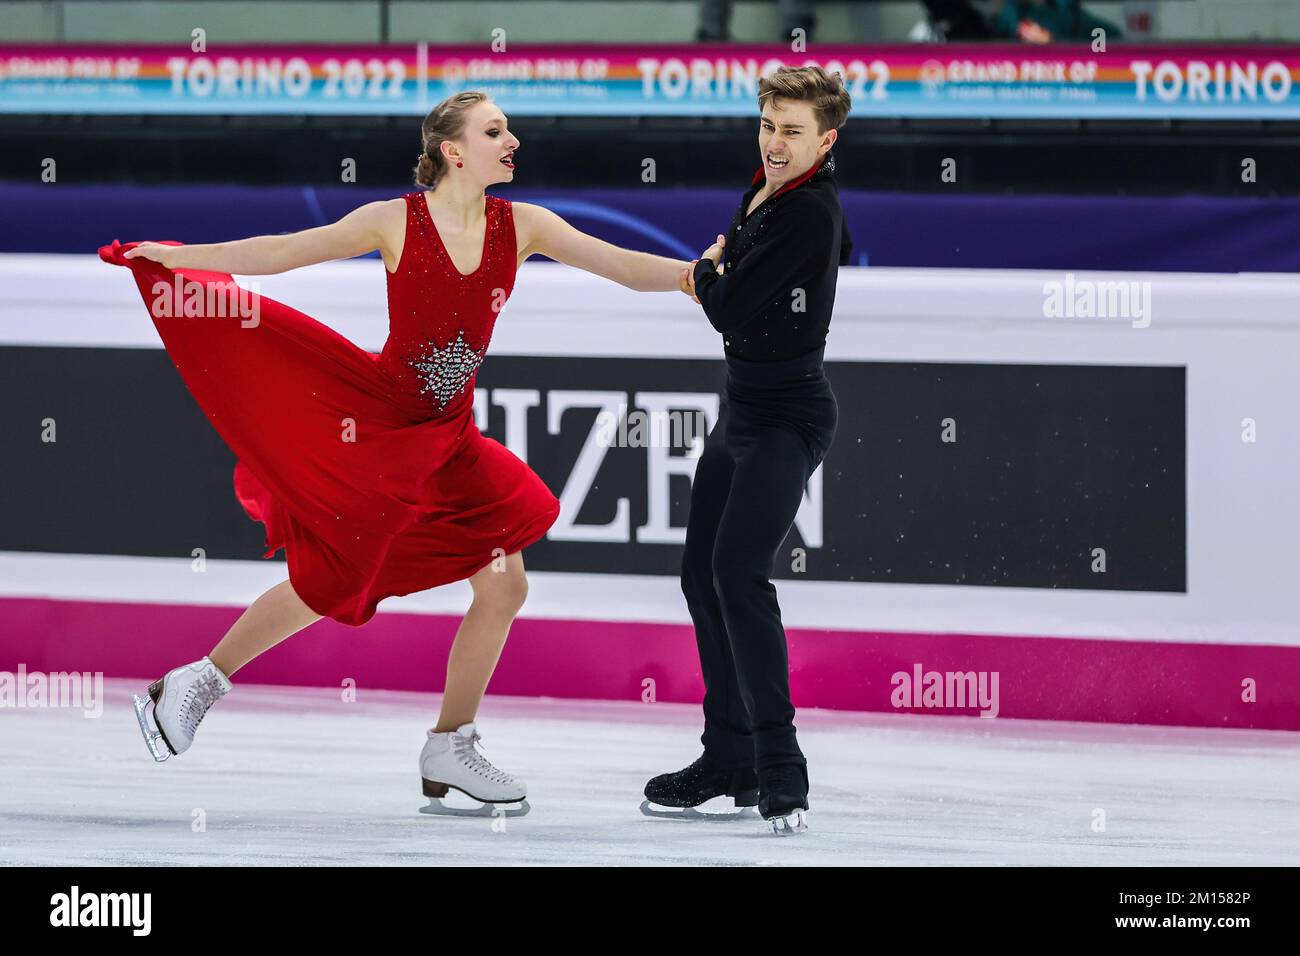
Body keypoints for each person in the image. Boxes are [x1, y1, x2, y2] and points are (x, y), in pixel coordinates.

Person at [104, 91, 694, 817]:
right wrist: (177, 258)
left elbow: (617, 263)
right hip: (382, 430)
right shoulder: (396, 221)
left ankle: (450, 743)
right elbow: (283, 252)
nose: (513, 141)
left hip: (451, 438)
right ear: (453, 151)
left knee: (505, 585)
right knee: (334, 579)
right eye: (495, 131)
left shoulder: (525, 225)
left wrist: (692, 276)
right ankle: (196, 681)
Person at [644, 66, 853, 834]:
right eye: (767, 125)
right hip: (741, 411)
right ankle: (727, 756)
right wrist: (721, 272)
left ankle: (780, 766)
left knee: (737, 571)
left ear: (825, 141)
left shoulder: (808, 216)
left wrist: (707, 270)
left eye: (792, 131)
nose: (774, 141)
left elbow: (727, 309)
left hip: (791, 416)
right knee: (701, 573)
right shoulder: (768, 191)